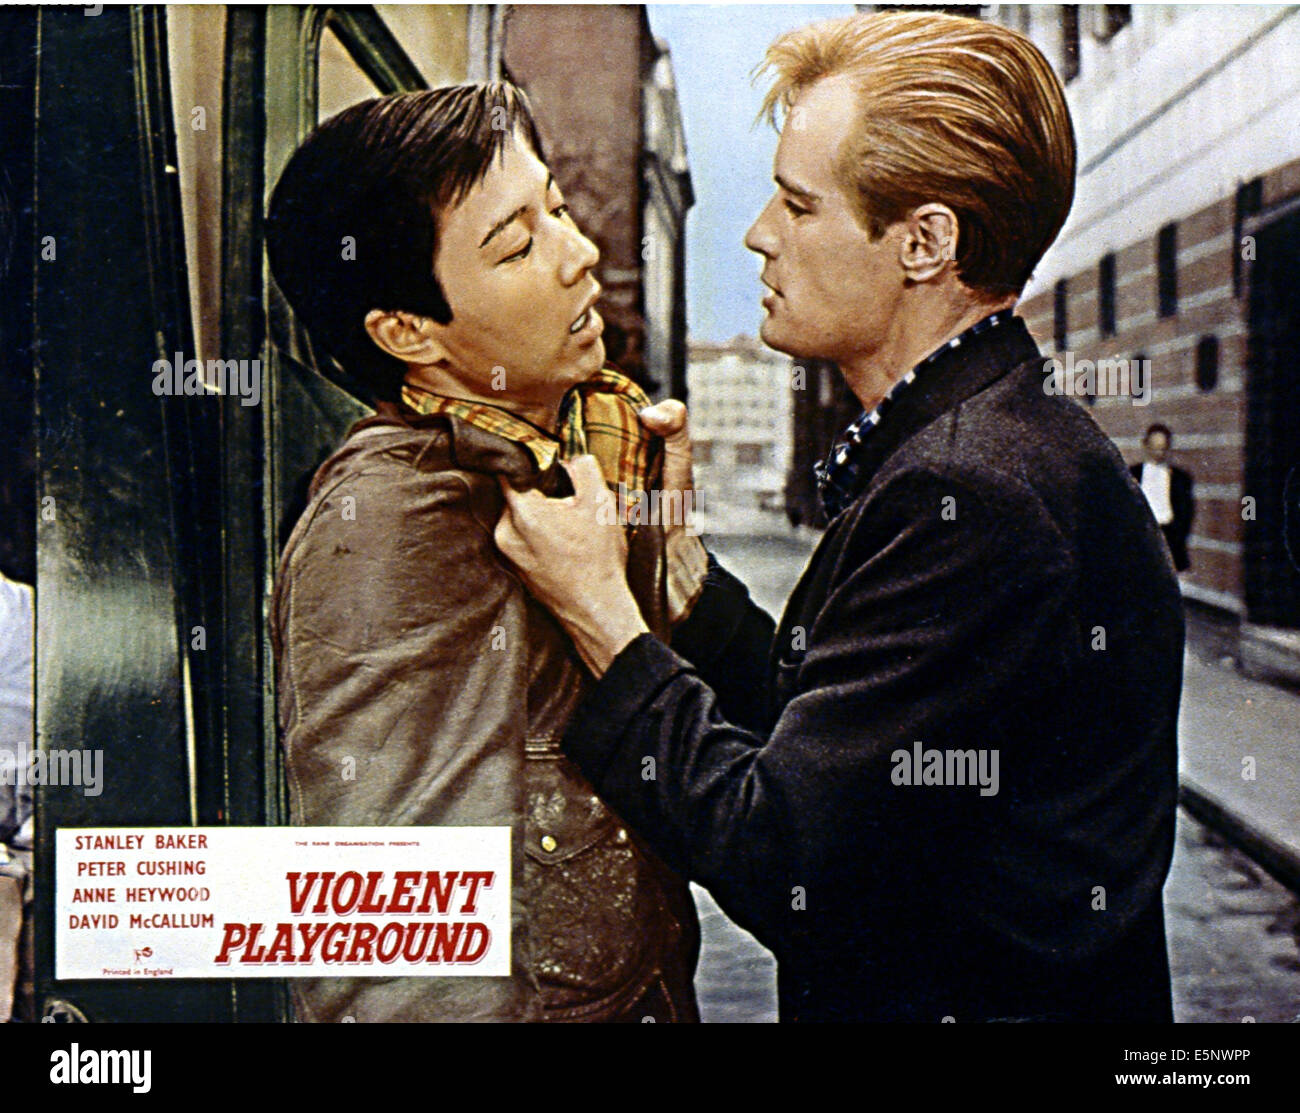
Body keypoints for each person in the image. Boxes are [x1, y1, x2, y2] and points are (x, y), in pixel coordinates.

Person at [496, 11, 1184, 1022]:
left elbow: (787, 856)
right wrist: (681, 575)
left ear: (924, 242)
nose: (756, 233)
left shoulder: (973, 493)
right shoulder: (990, 443)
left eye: (797, 204)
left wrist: (602, 611)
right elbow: (852, 756)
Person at [264, 84, 701, 1023]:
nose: (581, 256)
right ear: (406, 332)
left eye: (558, 210)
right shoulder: (387, 523)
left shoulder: (575, 453)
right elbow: (392, 945)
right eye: (518, 245)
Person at [1132, 423, 1195, 572]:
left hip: (1169, 538)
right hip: (1142, 537)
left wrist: (1177, 537)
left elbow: (1186, 513)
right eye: (1155, 446)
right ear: (1146, 445)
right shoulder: (1132, 474)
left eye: (1163, 447)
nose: (1159, 452)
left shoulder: (1180, 478)